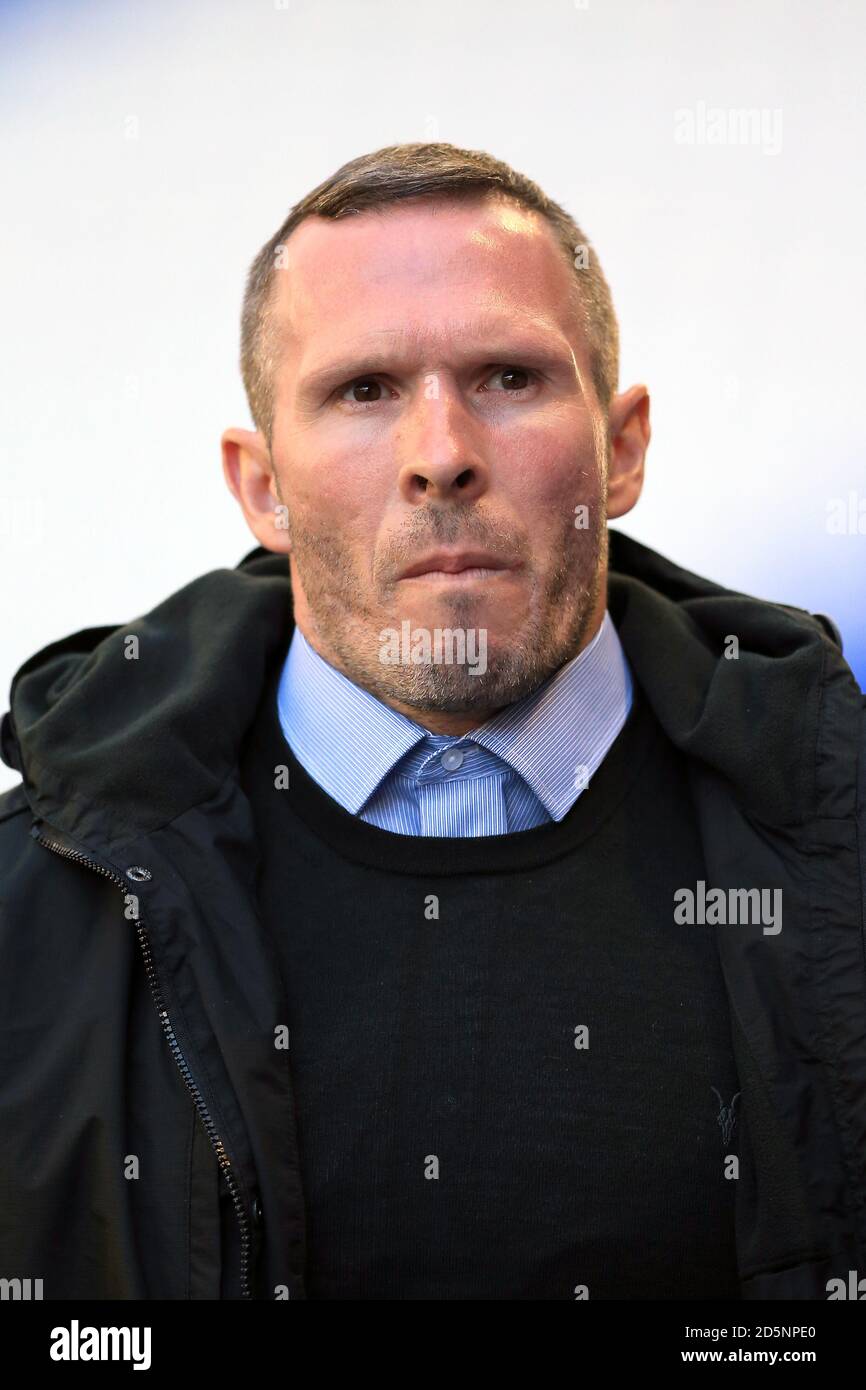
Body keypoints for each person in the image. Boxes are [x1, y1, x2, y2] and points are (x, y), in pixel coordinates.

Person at [1, 142, 863, 1302]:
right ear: (262, 486)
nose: (442, 456)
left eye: (507, 377)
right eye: (364, 391)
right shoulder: (30, 918)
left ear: (620, 449)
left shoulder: (837, 853)